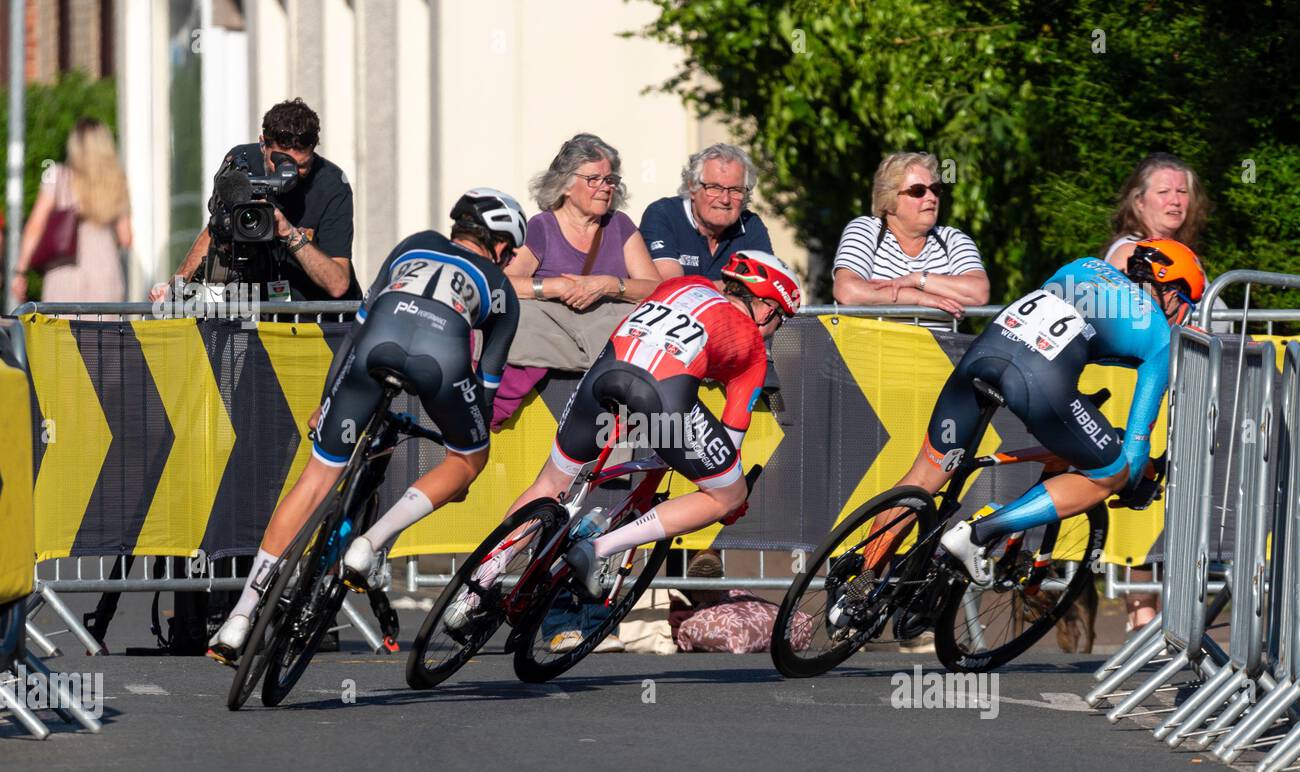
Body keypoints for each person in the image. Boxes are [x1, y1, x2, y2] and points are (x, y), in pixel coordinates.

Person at [206, 188, 526, 663]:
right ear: (500, 245)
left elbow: (355, 330)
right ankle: (370, 544)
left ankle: (240, 616)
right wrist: (462, 461)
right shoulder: (501, 288)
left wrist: (325, 401)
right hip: (441, 360)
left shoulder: (415, 242)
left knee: (316, 478)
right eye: (512, 250)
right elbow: (484, 393)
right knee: (469, 458)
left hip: (374, 345)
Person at [867, 240, 1205, 652]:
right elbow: (1135, 450)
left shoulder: (1081, 265)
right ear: (1171, 292)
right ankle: (980, 533)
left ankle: (855, 586)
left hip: (983, 355)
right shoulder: (1161, 337)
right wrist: (1138, 481)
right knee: (1111, 471)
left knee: (922, 478)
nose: (1186, 313)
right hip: (1038, 380)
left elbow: (1075, 330)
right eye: (1189, 302)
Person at [449, 250, 801, 624]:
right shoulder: (754, 352)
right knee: (726, 494)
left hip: (604, 374)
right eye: (779, 319)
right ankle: (598, 549)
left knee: (551, 483)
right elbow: (728, 445)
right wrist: (733, 501)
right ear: (764, 307)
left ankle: (473, 589)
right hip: (663, 395)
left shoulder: (683, 284)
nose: (774, 330)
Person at [1103, 153, 1210, 636]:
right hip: (1136, 389)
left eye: (1182, 191)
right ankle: (1141, 610)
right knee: (1136, 487)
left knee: (1168, 493)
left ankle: (1162, 611)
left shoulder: (1187, 258)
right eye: (1164, 191)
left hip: (1179, 391)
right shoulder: (1129, 252)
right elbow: (1144, 322)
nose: (1175, 200)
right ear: (1138, 201)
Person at [491, 133, 660, 430]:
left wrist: (611, 285)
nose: (605, 188)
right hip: (556, 346)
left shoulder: (619, 226)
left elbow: (656, 289)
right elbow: (501, 284)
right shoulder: (542, 227)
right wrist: (553, 287)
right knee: (521, 314)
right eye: (594, 179)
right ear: (567, 184)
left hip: (606, 348)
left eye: (610, 180)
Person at [149, 98, 360, 305]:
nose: (291, 174)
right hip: (260, 318)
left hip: (320, 324)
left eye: (301, 166)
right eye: (281, 163)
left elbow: (338, 284)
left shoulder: (331, 184)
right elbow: (218, 227)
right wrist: (174, 289)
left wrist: (290, 234)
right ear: (262, 145)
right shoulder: (242, 164)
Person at [832, 151, 989, 326]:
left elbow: (978, 292)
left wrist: (918, 279)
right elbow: (848, 291)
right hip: (872, 351)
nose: (931, 198)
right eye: (918, 191)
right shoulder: (866, 230)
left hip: (939, 351)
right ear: (889, 200)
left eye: (935, 189)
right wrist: (918, 299)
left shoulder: (954, 239)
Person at [11, 118, 131, 304]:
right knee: (103, 332)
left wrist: (20, 271)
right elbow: (126, 238)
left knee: (61, 331)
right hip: (106, 272)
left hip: (64, 272)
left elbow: (36, 225)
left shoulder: (58, 175)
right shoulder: (117, 181)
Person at [640, 143, 774, 282]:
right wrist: (736, 287)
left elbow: (767, 284)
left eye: (735, 190)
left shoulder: (750, 224)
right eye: (714, 188)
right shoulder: (664, 214)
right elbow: (671, 287)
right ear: (692, 187)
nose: (725, 199)